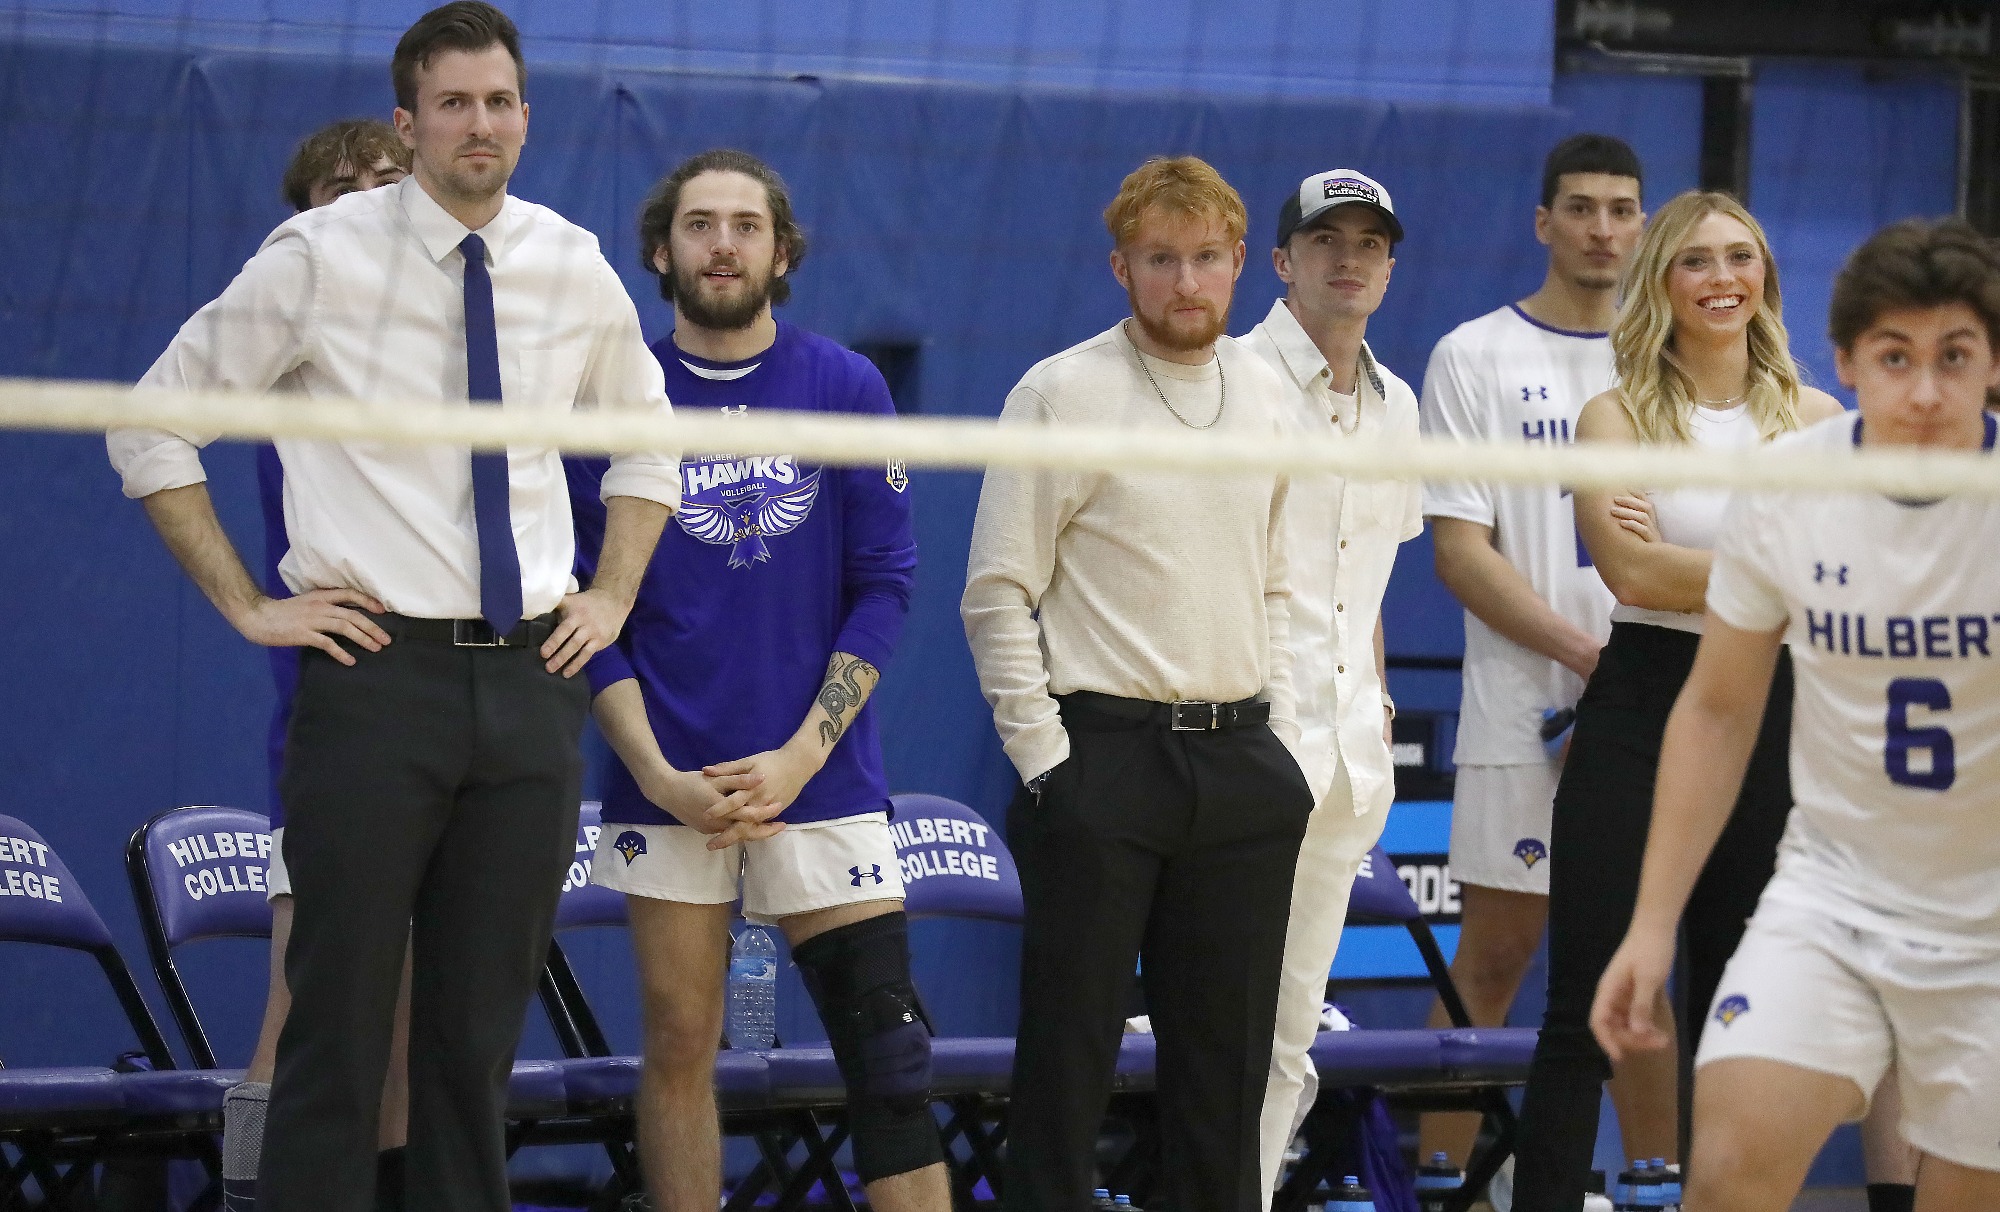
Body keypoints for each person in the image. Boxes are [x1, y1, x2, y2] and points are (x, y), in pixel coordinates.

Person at [105, 4, 679, 1208]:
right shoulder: (318, 257)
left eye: (500, 100)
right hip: (376, 688)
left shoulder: (569, 265)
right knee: (337, 1033)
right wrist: (250, 603)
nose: (481, 123)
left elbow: (645, 451)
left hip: (527, 692)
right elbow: (148, 424)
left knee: (473, 1048)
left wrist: (614, 590)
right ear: (408, 119)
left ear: (527, 115)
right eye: (455, 102)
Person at [1593, 217, 2000, 1212]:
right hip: (1830, 900)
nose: (1922, 391)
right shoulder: (1789, 489)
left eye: (1953, 358)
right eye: (1893, 358)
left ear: (1992, 365)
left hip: (1986, 923)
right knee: (1726, 1173)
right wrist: (1649, 926)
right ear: (1845, 363)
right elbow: (1718, 711)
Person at [572, 148, 947, 1212]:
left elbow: (883, 585)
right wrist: (657, 773)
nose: (722, 242)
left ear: (782, 252)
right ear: (660, 248)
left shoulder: (843, 387)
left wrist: (799, 755)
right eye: (699, 224)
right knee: (682, 1042)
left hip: (816, 779)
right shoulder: (612, 403)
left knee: (890, 1051)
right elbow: (587, 613)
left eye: (745, 224)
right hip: (667, 780)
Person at [963, 155, 1315, 1212]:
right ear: (1121, 266)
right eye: (1160, 260)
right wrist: (1048, 764)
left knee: (1225, 1077)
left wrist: (1284, 747)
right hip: (1102, 764)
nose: (1185, 283)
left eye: (1205, 258)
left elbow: (1287, 588)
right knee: (1066, 1068)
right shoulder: (1059, 392)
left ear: (1242, 265)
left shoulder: (1268, 396)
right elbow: (994, 594)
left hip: (1244, 770)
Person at [1507, 190, 1844, 1209]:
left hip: (1772, 712)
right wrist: (1766, 560)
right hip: (1641, 704)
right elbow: (1632, 579)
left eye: (1738, 258)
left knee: (1740, 1014)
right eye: (1694, 261)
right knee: (1585, 1004)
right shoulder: (1614, 415)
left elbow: (1833, 575)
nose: (1720, 279)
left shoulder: (1820, 421)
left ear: (1765, 279)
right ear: (1661, 281)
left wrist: (1689, 556)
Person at [1415, 134, 1668, 1179]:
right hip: (1528, 703)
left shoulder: (1665, 360)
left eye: (1620, 208)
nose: (1601, 228)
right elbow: (1457, 552)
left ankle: (1659, 1185)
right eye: (1580, 207)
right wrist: (1581, 650)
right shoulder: (1473, 355)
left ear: (1640, 223)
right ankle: (1442, 1185)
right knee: (1497, 952)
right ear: (1542, 222)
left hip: (1656, 700)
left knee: (1640, 963)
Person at [225, 116, 414, 1212]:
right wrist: (258, 607)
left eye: (384, 180)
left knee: (398, 1042)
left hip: (436, 712)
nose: (362, 197)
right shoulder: (291, 322)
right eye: (337, 186)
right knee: (297, 1026)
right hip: (334, 718)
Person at [1237, 169, 1424, 1201]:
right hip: (1237, 758)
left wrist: (1379, 712)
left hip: (1346, 766)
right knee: (1218, 1022)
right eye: (1325, 239)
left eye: (1369, 242)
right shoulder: (1228, 384)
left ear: (1389, 268)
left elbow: (1371, 584)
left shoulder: (1397, 407)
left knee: (1286, 1032)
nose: (1347, 257)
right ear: (1281, 261)